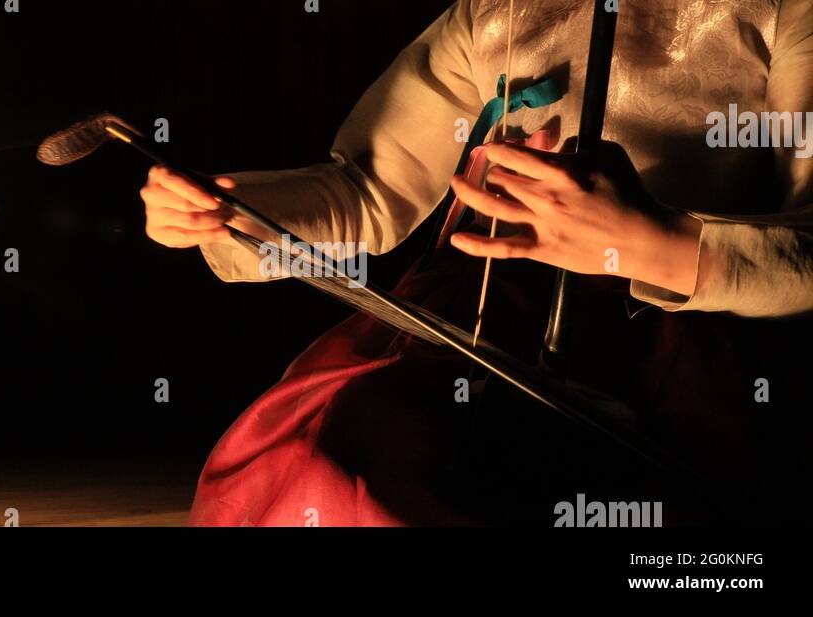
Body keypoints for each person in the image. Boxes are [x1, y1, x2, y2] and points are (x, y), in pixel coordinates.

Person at [140, 0, 813, 526]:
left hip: (675, 350)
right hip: (488, 328)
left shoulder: (782, 11)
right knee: (336, 458)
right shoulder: (493, 12)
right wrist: (231, 211)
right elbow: (367, 191)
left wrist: (653, 243)